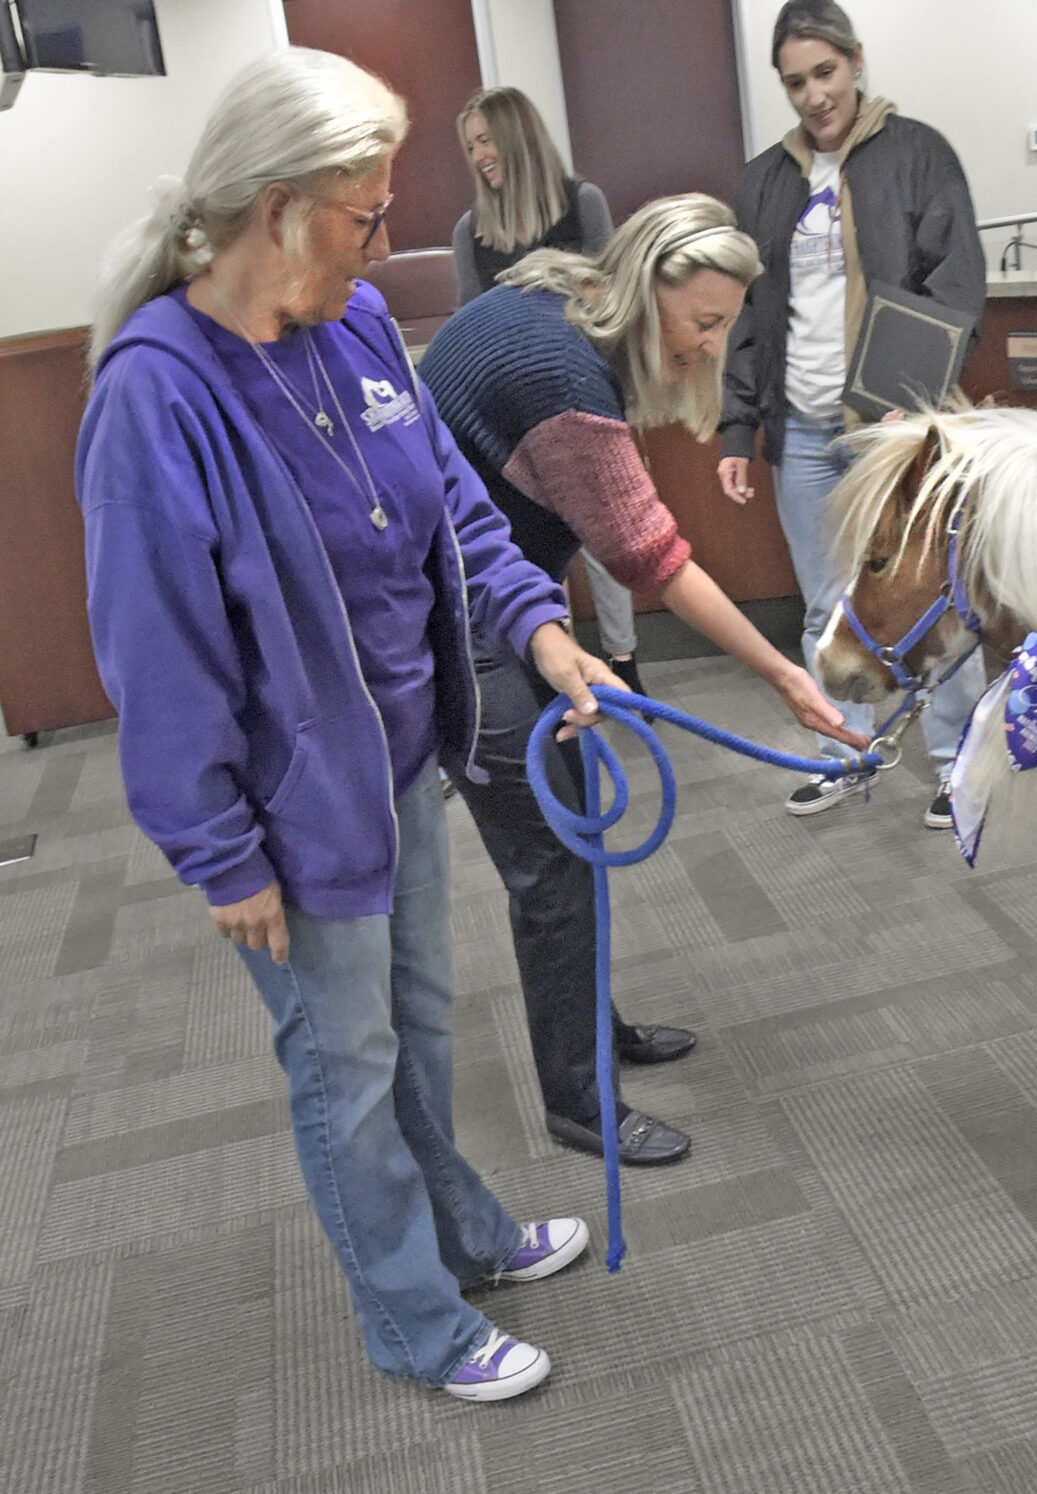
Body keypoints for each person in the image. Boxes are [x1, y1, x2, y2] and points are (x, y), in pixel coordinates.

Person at [77, 47, 615, 1403]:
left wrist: (539, 626)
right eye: (366, 211)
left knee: (419, 1024)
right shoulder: (159, 392)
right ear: (277, 208)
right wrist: (219, 854)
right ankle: (416, 1322)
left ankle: (467, 1236)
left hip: (399, 770)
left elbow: (456, 507)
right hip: (290, 813)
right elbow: (156, 651)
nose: (384, 236)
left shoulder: (362, 326)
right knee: (348, 1069)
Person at [420, 193, 865, 1166]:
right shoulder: (561, 371)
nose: (709, 347)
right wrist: (786, 678)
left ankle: (590, 1030)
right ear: (645, 283)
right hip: (449, 619)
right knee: (550, 860)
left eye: (724, 326)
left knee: (572, 832)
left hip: (501, 602)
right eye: (702, 322)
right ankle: (580, 1102)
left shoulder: (568, 297)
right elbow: (648, 557)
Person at [718, 0, 987, 826]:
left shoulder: (917, 155)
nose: (812, 96)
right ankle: (846, 754)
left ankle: (959, 768)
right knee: (824, 607)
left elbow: (956, 288)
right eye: (794, 82)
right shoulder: (765, 180)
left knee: (922, 598)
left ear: (857, 62)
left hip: (894, 428)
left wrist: (913, 407)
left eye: (825, 74)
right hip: (799, 429)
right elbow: (748, 314)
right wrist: (738, 427)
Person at [452, 85, 645, 699]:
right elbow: (469, 327)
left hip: (580, 397)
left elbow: (613, 304)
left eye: (486, 139)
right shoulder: (470, 231)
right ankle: (554, 659)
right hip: (509, 423)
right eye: (471, 145)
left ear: (516, 135)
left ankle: (625, 660)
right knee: (533, 541)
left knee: (604, 533)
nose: (479, 154)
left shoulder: (580, 202)